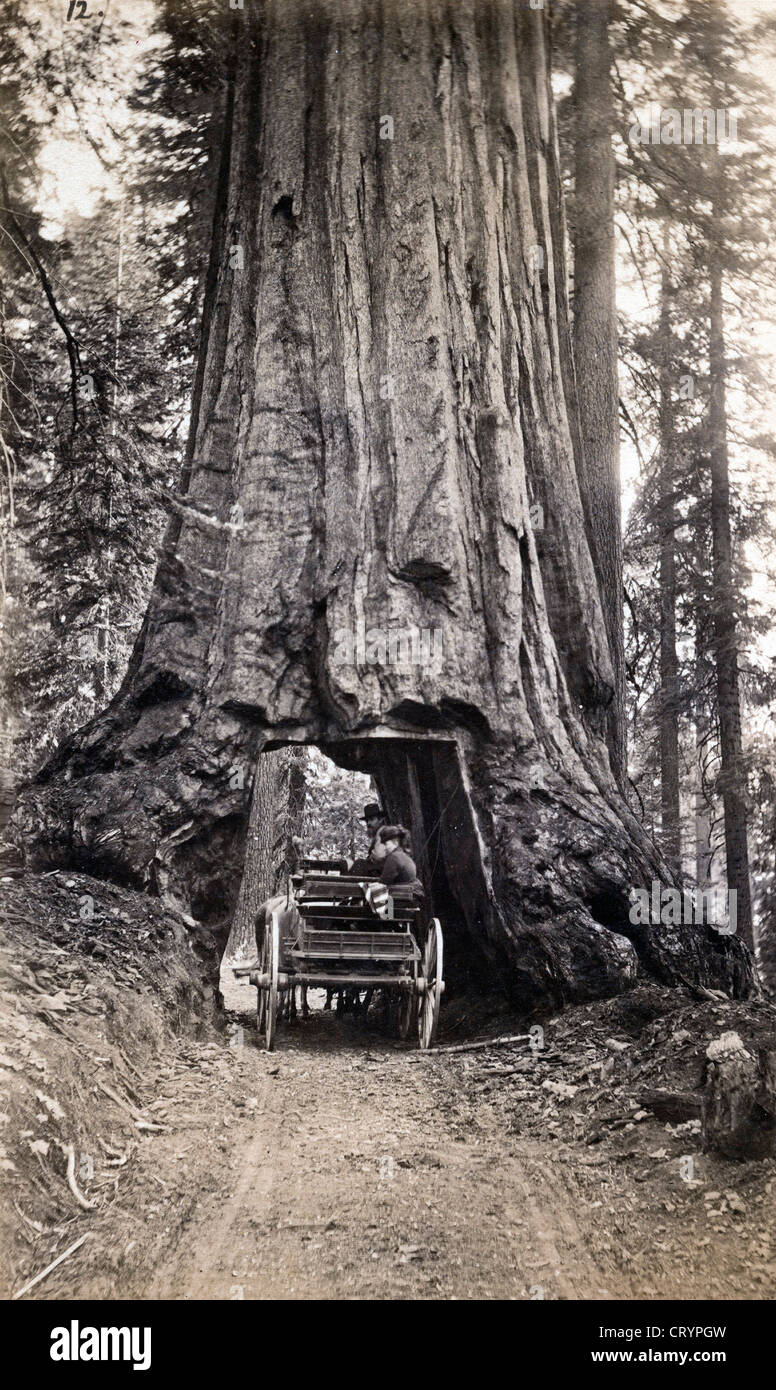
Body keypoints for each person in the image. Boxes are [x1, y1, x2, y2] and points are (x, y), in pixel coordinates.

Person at [372, 824, 424, 901]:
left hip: (399, 900)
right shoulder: (404, 856)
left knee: (373, 899)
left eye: (386, 844)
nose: (385, 848)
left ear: (395, 843)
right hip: (408, 897)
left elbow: (383, 882)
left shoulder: (394, 857)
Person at [348, 801, 387, 876]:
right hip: (376, 872)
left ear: (380, 819)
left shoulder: (386, 834)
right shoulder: (377, 836)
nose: (368, 823)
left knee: (358, 864)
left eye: (372, 819)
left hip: (383, 875)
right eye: (367, 820)